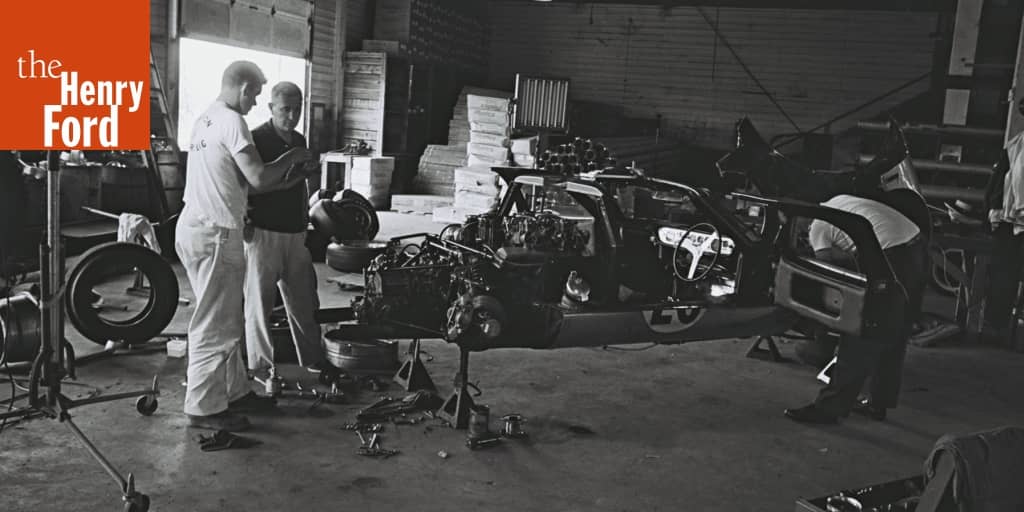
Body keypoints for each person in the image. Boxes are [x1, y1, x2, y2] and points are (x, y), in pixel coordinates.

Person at [176, 61, 315, 432]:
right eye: (254, 94)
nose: (255, 103)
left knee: (228, 320)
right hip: (216, 232)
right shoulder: (233, 121)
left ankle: (236, 392)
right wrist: (292, 158)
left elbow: (244, 183)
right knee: (216, 325)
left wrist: (289, 177)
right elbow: (258, 176)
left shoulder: (205, 118)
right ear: (242, 87)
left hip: (198, 227)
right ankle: (203, 408)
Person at [785, 193, 927, 424]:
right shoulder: (837, 201)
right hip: (917, 245)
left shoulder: (818, 227)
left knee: (862, 328)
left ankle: (829, 408)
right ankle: (878, 402)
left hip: (892, 254)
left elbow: (826, 269)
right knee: (894, 329)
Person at [243, 82, 342, 376]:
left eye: (298, 109)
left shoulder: (299, 139)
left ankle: (312, 359)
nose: (292, 115)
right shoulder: (255, 140)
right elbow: (247, 185)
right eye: (285, 109)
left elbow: (298, 185)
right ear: (271, 108)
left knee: (305, 302)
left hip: (294, 233)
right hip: (263, 232)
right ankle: (261, 366)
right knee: (258, 305)